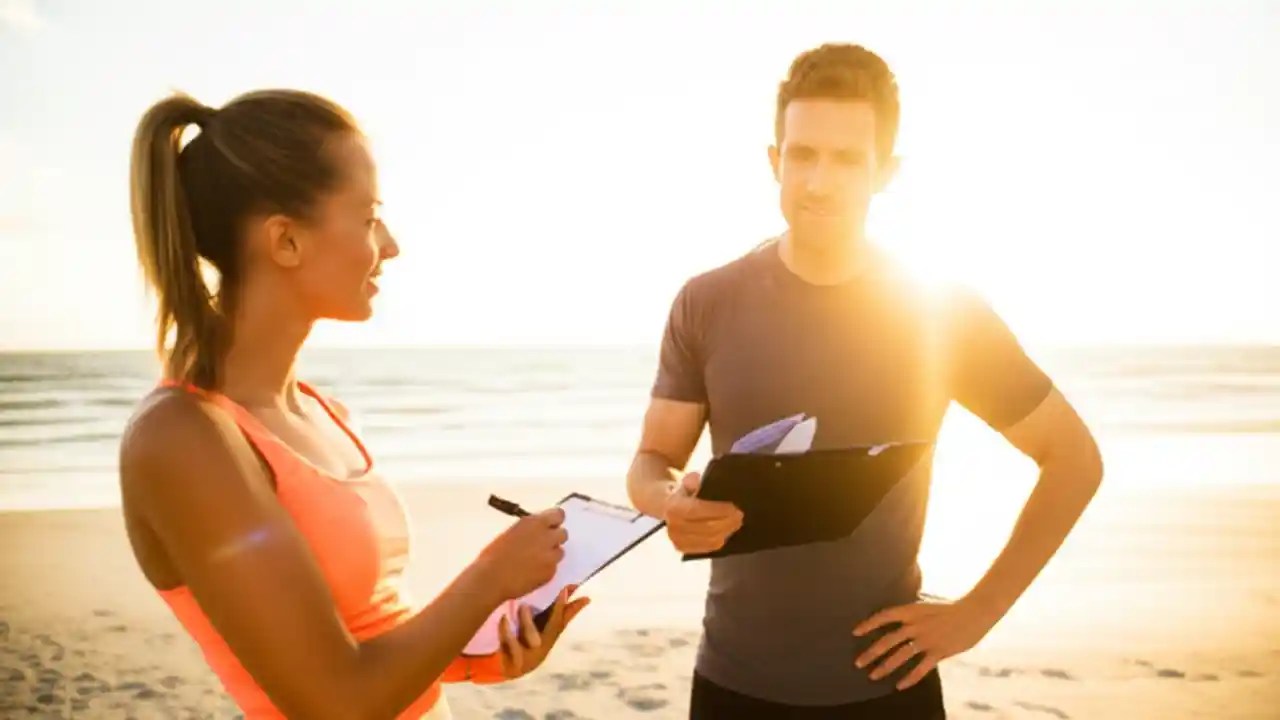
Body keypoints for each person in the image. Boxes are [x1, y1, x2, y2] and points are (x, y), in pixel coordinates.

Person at [626, 43, 1104, 719]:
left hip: (888, 692)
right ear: (774, 160)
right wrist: (670, 501)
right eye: (802, 155)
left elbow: (1074, 460)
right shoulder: (707, 302)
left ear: (886, 172)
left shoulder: (941, 311)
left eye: (848, 159)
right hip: (732, 687)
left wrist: (978, 612)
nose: (819, 181)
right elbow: (652, 461)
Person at [118, 89, 588, 720]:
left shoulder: (319, 410)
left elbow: (366, 637)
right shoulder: (182, 438)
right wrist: (489, 579)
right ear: (285, 241)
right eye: (368, 217)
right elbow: (334, 702)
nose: (389, 244)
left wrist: (477, 656)